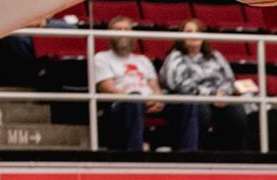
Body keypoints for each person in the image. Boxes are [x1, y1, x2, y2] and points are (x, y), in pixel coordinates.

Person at [159, 19, 250, 151]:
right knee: (201, 109)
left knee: (235, 110)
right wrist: (212, 95)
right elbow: (177, 84)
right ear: (181, 37)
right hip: (186, 101)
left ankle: (234, 156)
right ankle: (194, 153)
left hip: (218, 99)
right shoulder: (175, 57)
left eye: (198, 31)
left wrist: (223, 94)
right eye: (189, 31)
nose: (195, 35)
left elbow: (229, 80)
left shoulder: (216, 56)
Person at [90, 18, 162, 152]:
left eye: (126, 30)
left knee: (188, 104)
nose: (123, 33)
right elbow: (107, 88)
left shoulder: (143, 60)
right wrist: (139, 100)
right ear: (109, 35)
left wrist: (158, 100)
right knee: (134, 100)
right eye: (118, 30)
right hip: (121, 105)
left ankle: (188, 155)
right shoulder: (101, 58)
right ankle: (136, 153)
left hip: (148, 102)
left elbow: (155, 87)